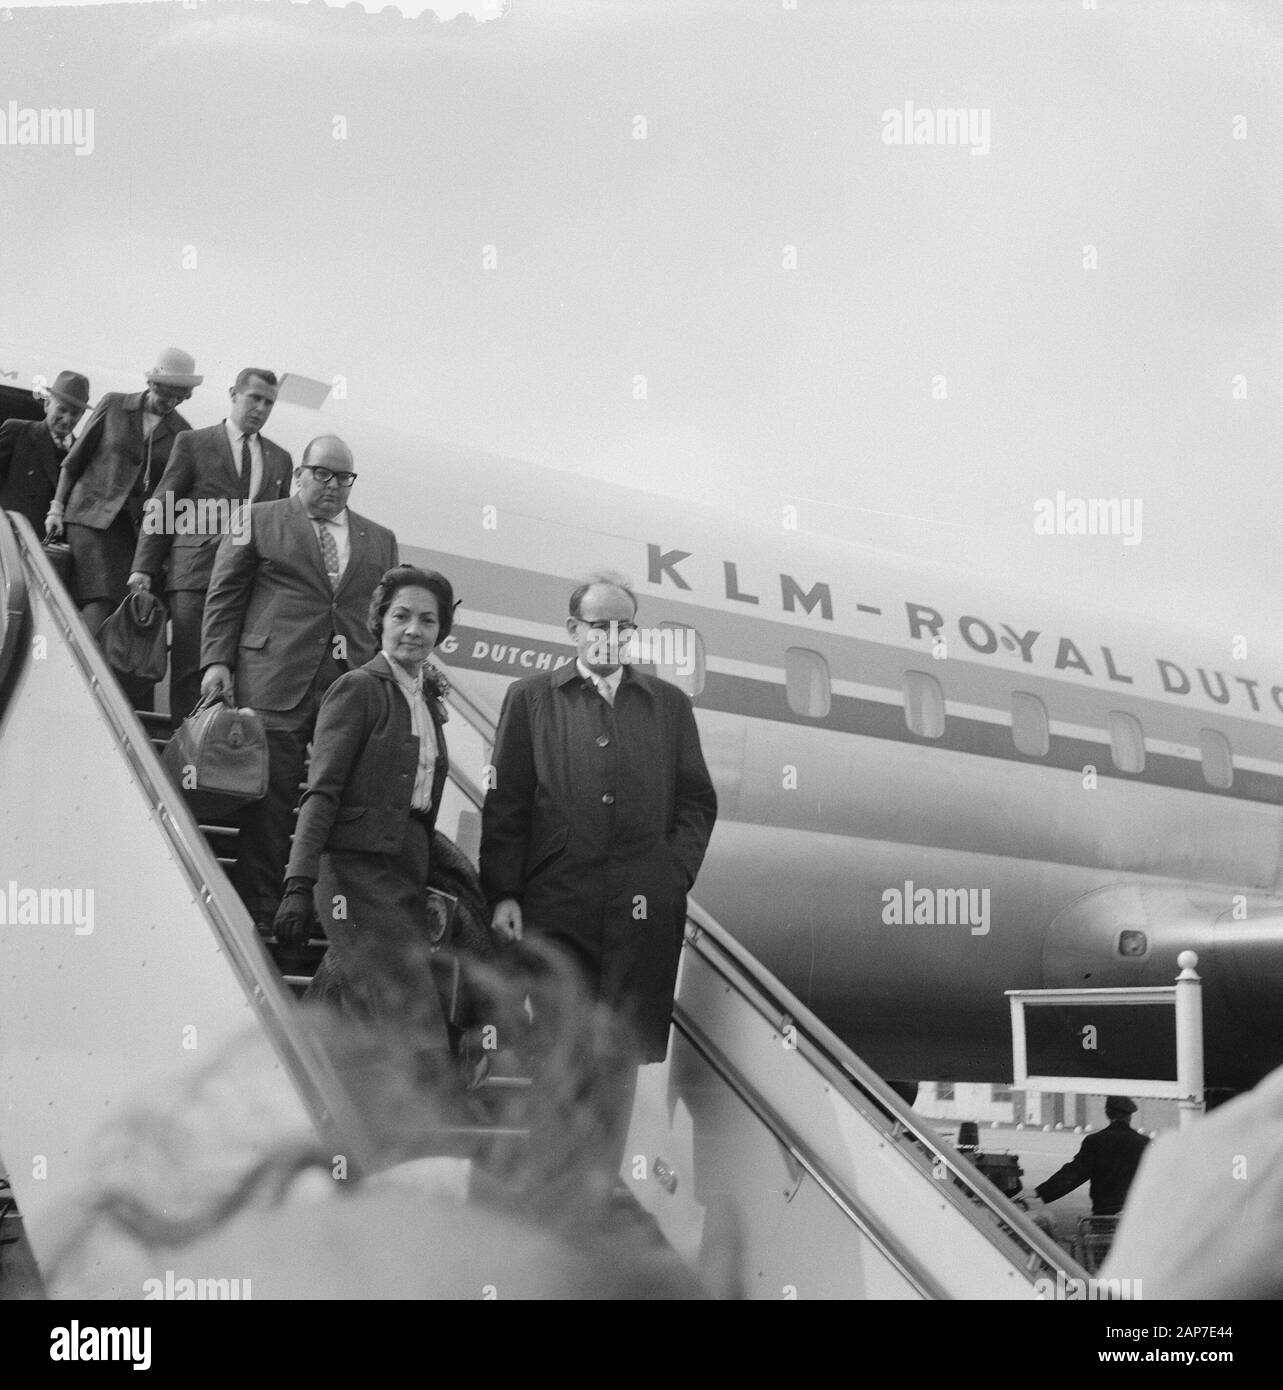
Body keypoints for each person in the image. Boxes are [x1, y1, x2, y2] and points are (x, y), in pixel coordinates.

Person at [479, 571, 717, 1181]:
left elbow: (696, 802)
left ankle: (594, 1190)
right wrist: (504, 890)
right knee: (557, 1047)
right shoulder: (532, 698)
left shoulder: (667, 705)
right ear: (573, 630)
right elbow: (508, 802)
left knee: (618, 1058)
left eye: (622, 626)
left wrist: (672, 876)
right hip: (559, 905)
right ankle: (546, 1190)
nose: (610, 636)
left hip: (640, 913)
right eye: (598, 624)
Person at [199, 435, 398, 934]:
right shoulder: (259, 519)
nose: (333, 486)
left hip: (348, 687)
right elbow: (225, 595)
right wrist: (216, 662)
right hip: (272, 677)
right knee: (270, 800)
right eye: (323, 474)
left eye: (344, 478)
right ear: (299, 475)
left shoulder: (380, 539)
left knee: (339, 799)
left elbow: (383, 618)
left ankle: (325, 911)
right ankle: (263, 914)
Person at [272, 567, 456, 1060]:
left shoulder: (428, 701)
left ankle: (300, 1090)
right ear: (379, 621)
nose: (414, 629)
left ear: (441, 631)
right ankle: (399, 1126)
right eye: (401, 616)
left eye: (427, 620)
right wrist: (298, 882)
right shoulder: (358, 688)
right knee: (404, 1009)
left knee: (352, 1005)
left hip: (406, 874)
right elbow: (322, 791)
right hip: (353, 873)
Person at [128, 368, 293, 723]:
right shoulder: (193, 442)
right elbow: (164, 505)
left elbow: (281, 527)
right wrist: (143, 567)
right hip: (195, 574)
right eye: (254, 398)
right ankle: (181, 755)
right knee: (191, 668)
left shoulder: (280, 459)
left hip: (250, 583)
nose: (261, 408)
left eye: (269, 402)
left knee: (237, 670)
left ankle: (216, 755)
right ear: (234, 394)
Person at [45, 348, 201, 708]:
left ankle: (85, 692)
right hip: (88, 521)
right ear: (151, 383)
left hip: (134, 538)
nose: (169, 402)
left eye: (178, 397)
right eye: (165, 393)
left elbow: (173, 501)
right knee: (100, 605)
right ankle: (78, 688)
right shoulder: (114, 405)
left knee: (112, 615)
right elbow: (74, 461)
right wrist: (56, 506)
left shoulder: (183, 434)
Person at [0, 370, 91, 536]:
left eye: (74, 413)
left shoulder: (82, 454)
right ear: (47, 404)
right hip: (7, 541)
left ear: (82, 415)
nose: (67, 419)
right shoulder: (17, 431)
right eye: (62, 410)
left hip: (45, 551)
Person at [1029, 1095, 1150, 1217]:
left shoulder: (1095, 1141)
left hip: (1103, 1211)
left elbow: (1074, 1174)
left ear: (1107, 1113)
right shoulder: (1144, 1142)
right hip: (1135, 1211)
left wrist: (1040, 1192)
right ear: (1129, 1116)